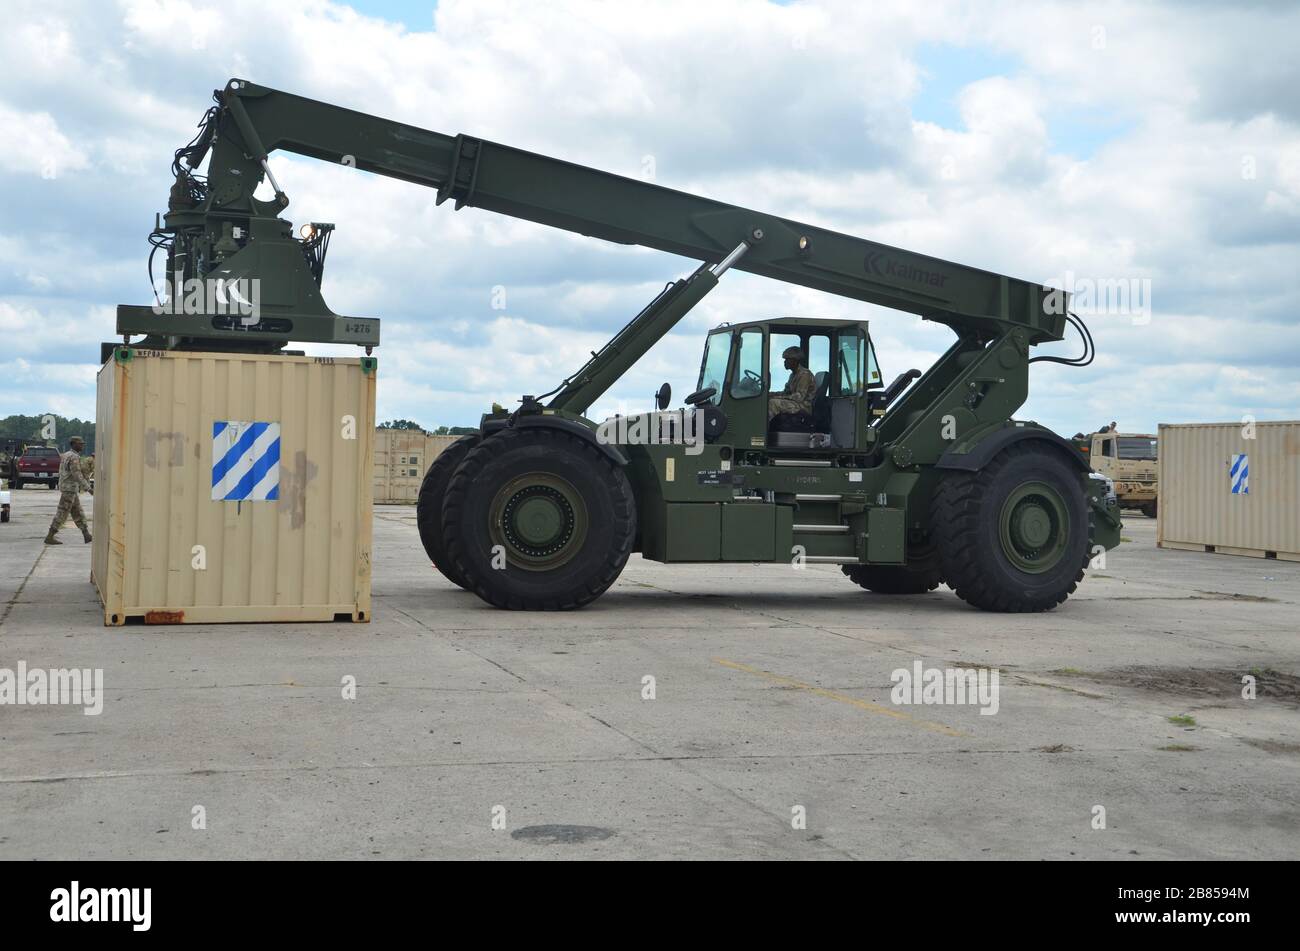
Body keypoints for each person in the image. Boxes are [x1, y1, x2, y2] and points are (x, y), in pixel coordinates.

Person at [45, 436, 92, 545]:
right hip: (69, 489)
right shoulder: (74, 457)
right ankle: (50, 536)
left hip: (67, 487)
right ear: (74, 444)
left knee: (77, 511)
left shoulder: (66, 455)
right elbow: (77, 474)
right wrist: (88, 488)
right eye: (80, 443)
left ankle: (86, 534)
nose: (82, 445)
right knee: (62, 512)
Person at [768, 347, 817, 420]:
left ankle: (765, 428)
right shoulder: (793, 375)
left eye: (788, 359)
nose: (785, 362)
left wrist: (776, 397)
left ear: (795, 360)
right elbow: (786, 393)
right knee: (767, 400)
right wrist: (770, 394)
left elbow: (799, 397)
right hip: (796, 404)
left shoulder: (804, 374)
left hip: (804, 407)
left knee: (773, 403)